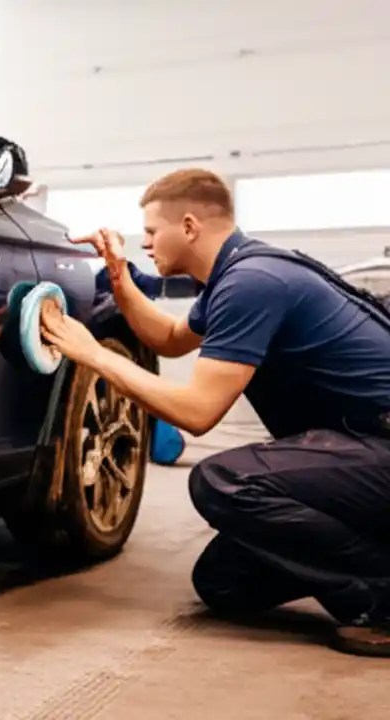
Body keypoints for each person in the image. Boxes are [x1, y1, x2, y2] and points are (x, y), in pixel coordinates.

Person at [38, 168, 390, 657]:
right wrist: (118, 277)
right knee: (224, 584)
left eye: (151, 232)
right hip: (362, 454)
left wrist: (94, 354)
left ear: (188, 226)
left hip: (379, 452)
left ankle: (382, 597)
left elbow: (198, 412)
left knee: (224, 480)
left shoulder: (253, 282)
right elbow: (169, 338)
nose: (144, 243)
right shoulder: (241, 272)